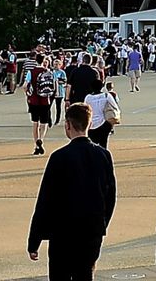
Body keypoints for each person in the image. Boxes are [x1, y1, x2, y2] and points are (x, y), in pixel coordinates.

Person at [28, 103, 118, 281]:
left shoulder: (59, 157)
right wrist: (102, 223)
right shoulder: (103, 155)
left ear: (67, 125)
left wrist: (34, 240)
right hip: (92, 229)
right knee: (85, 274)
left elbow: (46, 200)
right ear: (90, 124)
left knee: (60, 274)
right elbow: (110, 196)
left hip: (63, 232)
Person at [28, 57, 57, 155]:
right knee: (44, 123)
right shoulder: (49, 72)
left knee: (35, 123)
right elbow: (54, 86)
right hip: (45, 100)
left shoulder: (31, 72)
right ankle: (41, 139)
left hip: (34, 100)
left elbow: (25, 85)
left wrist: (28, 94)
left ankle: (36, 144)